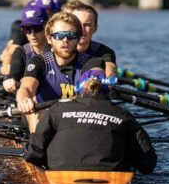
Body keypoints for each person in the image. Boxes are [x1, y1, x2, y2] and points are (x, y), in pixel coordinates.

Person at [24, 68, 156, 174]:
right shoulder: (123, 115)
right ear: (107, 90)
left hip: (62, 173)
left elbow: (34, 151)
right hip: (109, 177)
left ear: (79, 89)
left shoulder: (57, 109)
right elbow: (148, 164)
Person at [16, 11, 102, 133]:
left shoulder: (91, 62)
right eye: (59, 36)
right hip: (45, 120)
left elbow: (94, 80)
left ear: (78, 38)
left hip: (77, 121)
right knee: (37, 113)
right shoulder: (39, 62)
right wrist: (24, 100)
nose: (65, 40)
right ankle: (37, 149)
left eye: (71, 35)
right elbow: (27, 87)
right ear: (49, 39)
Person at [0, 0, 61, 76]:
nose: (32, 34)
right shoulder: (20, 50)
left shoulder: (60, 34)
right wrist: (7, 67)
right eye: (28, 29)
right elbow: (10, 52)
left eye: (51, 13)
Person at [2, 4, 50, 93]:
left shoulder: (58, 49)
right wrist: (11, 80)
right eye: (27, 29)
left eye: (37, 28)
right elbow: (14, 74)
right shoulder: (21, 52)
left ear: (46, 27)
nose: (32, 34)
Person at [62, 0, 117, 77]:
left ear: (95, 28)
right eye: (78, 24)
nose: (82, 29)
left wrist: (109, 76)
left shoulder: (105, 52)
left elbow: (110, 68)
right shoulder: (57, 48)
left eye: (87, 25)